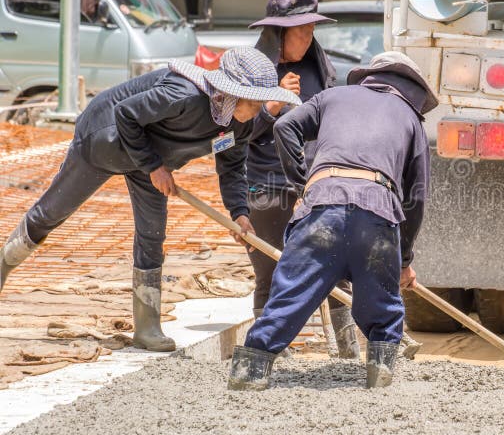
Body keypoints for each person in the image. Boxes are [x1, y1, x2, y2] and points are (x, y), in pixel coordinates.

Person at [0, 47, 298, 352]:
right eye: (254, 101)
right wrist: (154, 166)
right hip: (107, 140)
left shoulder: (240, 124)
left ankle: (146, 327)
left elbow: (233, 168)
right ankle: (4, 264)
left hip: (151, 159)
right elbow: (126, 114)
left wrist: (240, 213)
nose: (258, 108)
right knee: (52, 213)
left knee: (153, 234)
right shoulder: (183, 95)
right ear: (231, 92)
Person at [227, 51, 436, 391]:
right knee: (381, 306)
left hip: (321, 210)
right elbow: (417, 198)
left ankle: (248, 372)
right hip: (377, 214)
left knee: (289, 297)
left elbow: (284, 125)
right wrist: (404, 261)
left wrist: (305, 184)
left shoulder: (332, 96)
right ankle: (379, 378)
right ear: (412, 91)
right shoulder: (411, 120)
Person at [248, 0, 360, 358]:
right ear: (278, 34)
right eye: (300, 32)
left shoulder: (317, 68)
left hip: (316, 183)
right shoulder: (250, 72)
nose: (308, 38)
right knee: (272, 270)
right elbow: (230, 138)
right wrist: (270, 107)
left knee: (335, 268)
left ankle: (347, 352)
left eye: (312, 30)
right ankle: (268, 353)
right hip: (267, 186)